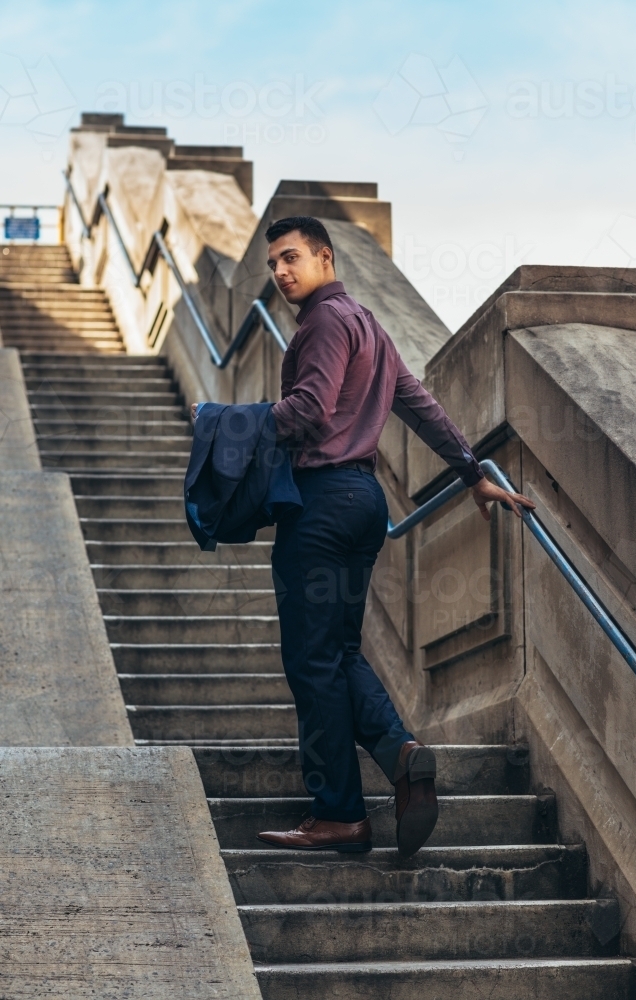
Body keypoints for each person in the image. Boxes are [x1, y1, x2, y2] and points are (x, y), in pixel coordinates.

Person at [192, 216, 534, 857]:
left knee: (309, 660)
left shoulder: (324, 323)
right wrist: (472, 474)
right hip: (363, 504)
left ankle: (339, 814)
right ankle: (398, 753)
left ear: (325, 257)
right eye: (273, 265)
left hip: (320, 505)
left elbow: (310, 410)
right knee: (339, 652)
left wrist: (218, 419)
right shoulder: (369, 326)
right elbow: (421, 405)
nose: (281, 272)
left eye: (291, 258)